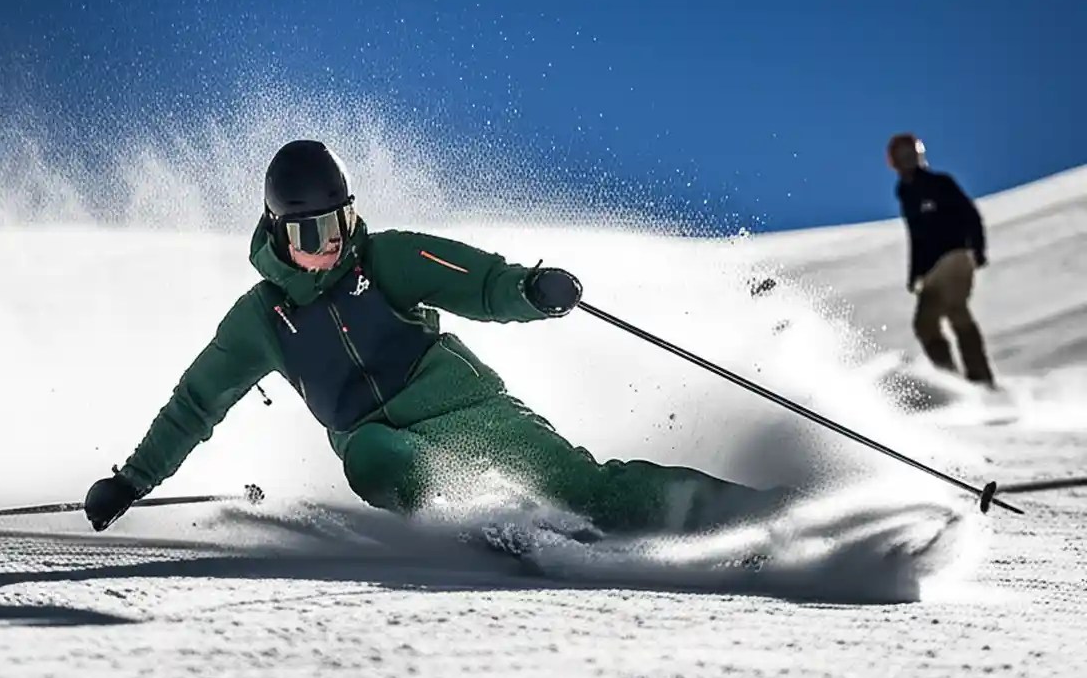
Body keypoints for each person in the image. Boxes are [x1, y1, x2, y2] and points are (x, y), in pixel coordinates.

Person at [83, 139, 784, 537]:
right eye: (312, 233)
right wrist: (131, 480)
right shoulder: (263, 320)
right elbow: (195, 404)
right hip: (372, 435)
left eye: (341, 222)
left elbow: (477, 282)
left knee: (586, 488)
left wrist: (531, 289)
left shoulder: (382, 257)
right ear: (278, 233)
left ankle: (744, 514)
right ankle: (488, 521)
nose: (332, 246)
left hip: (468, 407)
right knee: (381, 460)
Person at [887, 133, 996, 389]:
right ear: (894, 162)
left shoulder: (939, 183)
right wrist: (914, 275)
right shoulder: (906, 195)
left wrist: (977, 249)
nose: (908, 161)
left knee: (955, 307)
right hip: (933, 271)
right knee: (925, 324)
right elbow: (916, 238)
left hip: (956, 258)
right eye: (902, 157)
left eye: (912, 155)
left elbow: (970, 214)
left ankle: (980, 378)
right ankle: (951, 381)